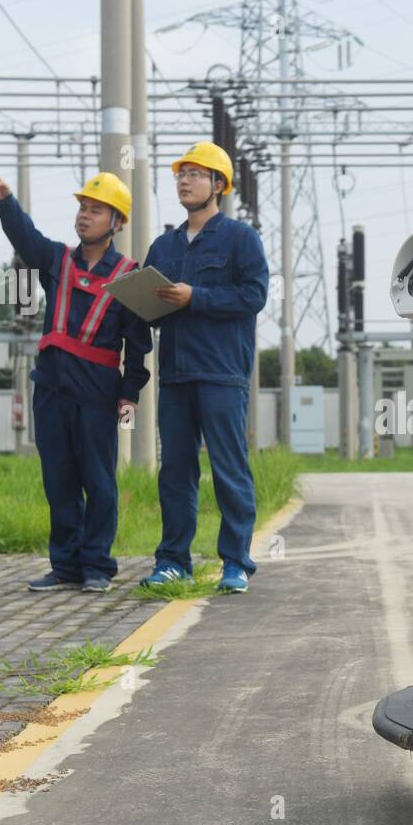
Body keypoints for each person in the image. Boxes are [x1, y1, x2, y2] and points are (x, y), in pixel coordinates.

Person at [0, 164, 152, 593]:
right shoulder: (56, 260)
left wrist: (129, 393)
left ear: (116, 222)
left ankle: (97, 564)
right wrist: (6, 202)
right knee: (58, 479)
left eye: (96, 210)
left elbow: (137, 346)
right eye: (82, 207)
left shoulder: (130, 277)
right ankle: (65, 566)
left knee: (98, 481)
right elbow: (26, 238)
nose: (84, 215)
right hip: (51, 389)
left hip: (97, 392)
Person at [139, 142, 269, 593]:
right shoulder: (163, 245)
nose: (184, 181)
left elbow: (253, 296)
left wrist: (197, 296)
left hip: (221, 373)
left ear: (218, 185)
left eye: (195, 174)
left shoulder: (240, 239)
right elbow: (146, 304)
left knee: (229, 468)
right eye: (180, 175)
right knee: (175, 470)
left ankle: (236, 562)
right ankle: (173, 560)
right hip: (174, 374)